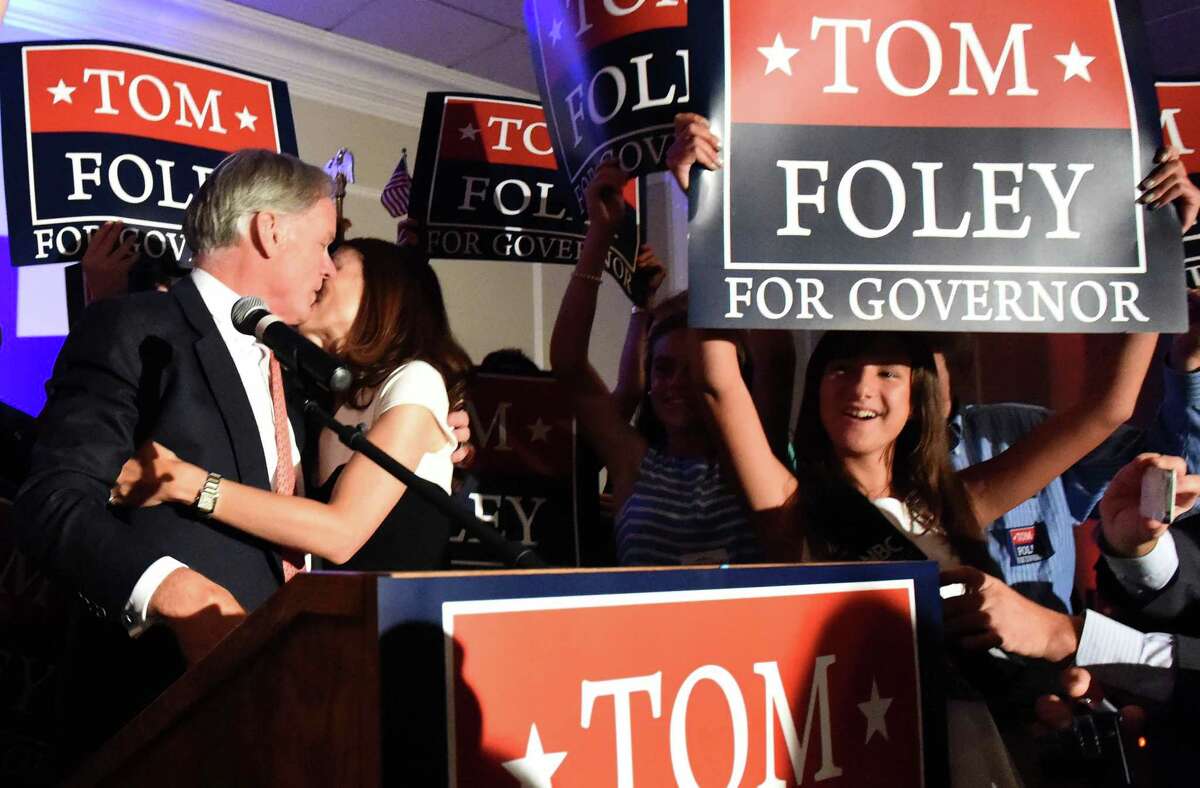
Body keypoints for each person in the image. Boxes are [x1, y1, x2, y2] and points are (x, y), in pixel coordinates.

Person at [13, 149, 337, 752]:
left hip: (272, 699)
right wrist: (177, 592)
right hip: (158, 708)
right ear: (270, 230)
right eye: (322, 244)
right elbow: (52, 499)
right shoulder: (134, 328)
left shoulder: (287, 371)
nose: (330, 268)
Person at [112, 238, 473, 571]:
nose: (323, 271)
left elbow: (340, 533)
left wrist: (186, 483)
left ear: (385, 291)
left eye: (336, 261)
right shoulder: (315, 398)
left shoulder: (415, 379)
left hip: (393, 629)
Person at [550, 162, 785, 565]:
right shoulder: (634, 462)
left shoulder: (758, 452)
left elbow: (777, 358)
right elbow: (569, 364)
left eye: (694, 370)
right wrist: (600, 233)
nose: (676, 383)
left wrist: (709, 205)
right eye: (663, 369)